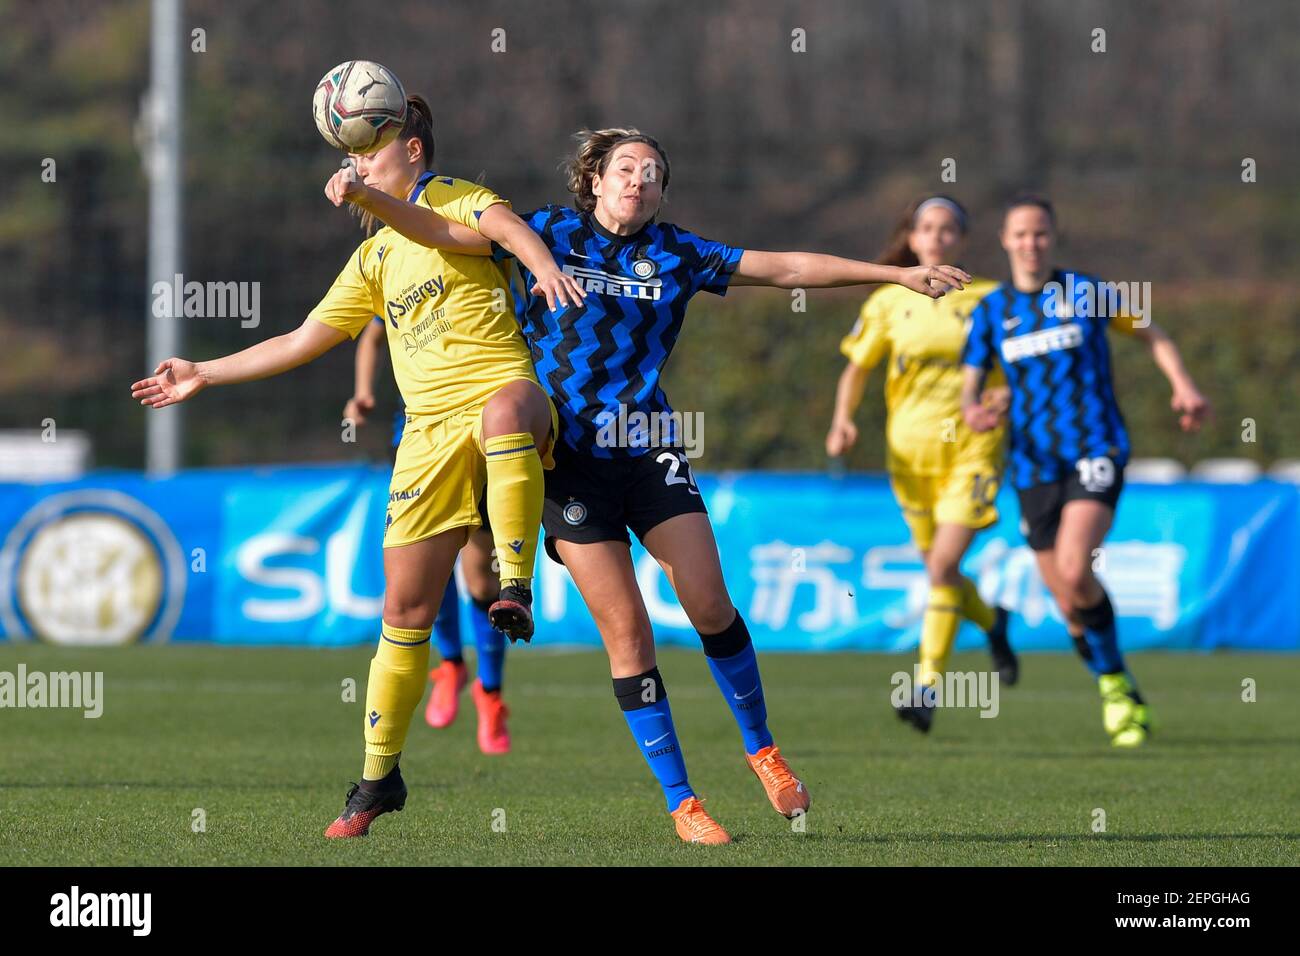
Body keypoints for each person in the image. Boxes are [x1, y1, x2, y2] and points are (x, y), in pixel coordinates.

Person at [328, 127, 972, 843]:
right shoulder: (544, 232)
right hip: (565, 461)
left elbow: (786, 266)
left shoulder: (678, 252)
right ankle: (684, 805)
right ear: (594, 180)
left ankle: (763, 750)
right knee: (629, 638)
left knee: (708, 601)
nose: (638, 179)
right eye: (624, 168)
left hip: (646, 445)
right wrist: (374, 197)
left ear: (662, 191)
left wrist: (893, 274)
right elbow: (443, 228)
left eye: (653, 172)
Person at [132, 95, 586, 838]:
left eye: (367, 152)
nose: (355, 166)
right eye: (349, 160)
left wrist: (540, 266)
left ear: (411, 149)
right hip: (426, 438)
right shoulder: (374, 255)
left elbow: (499, 231)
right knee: (403, 616)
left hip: (508, 397)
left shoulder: (455, 198)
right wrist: (204, 373)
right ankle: (378, 779)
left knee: (506, 417)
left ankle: (514, 581)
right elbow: (303, 339)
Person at [960, 194, 1210, 747]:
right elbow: (970, 388)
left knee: (1076, 570)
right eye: (1020, 234)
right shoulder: (990, 311)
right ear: (1004, 241)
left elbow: (1153, 333)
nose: (1031, 244)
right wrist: (977, 411)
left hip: (1095, 450)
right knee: (1070, 602)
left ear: (1054, 237)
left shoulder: (1085, 292)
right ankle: (1116, 684)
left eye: (1040, 234)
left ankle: (1116, 688)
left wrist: (1183, 385)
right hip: (1032, 465)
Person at [825, 195, 1018, 734]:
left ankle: (927, 685)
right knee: (946, 571)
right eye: (925, 228)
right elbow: (857, 368)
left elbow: (1023, 364)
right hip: (909, 454)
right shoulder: (889, 301)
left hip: (973, 449)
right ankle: (993, 623)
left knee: (939, 569)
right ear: (911, 238)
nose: (936, 237)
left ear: (962, 240)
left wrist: (1004, 399)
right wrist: (843, 419)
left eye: (948, 229)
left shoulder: (991, 301)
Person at [344, 318, 510, 755]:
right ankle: (452, 664)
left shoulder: (493, 263)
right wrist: (364, 391)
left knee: (481, 579)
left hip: (482, 435)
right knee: (425, 573)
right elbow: (373, 334)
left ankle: (490, 694)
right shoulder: (407, 265)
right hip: (418, 440)